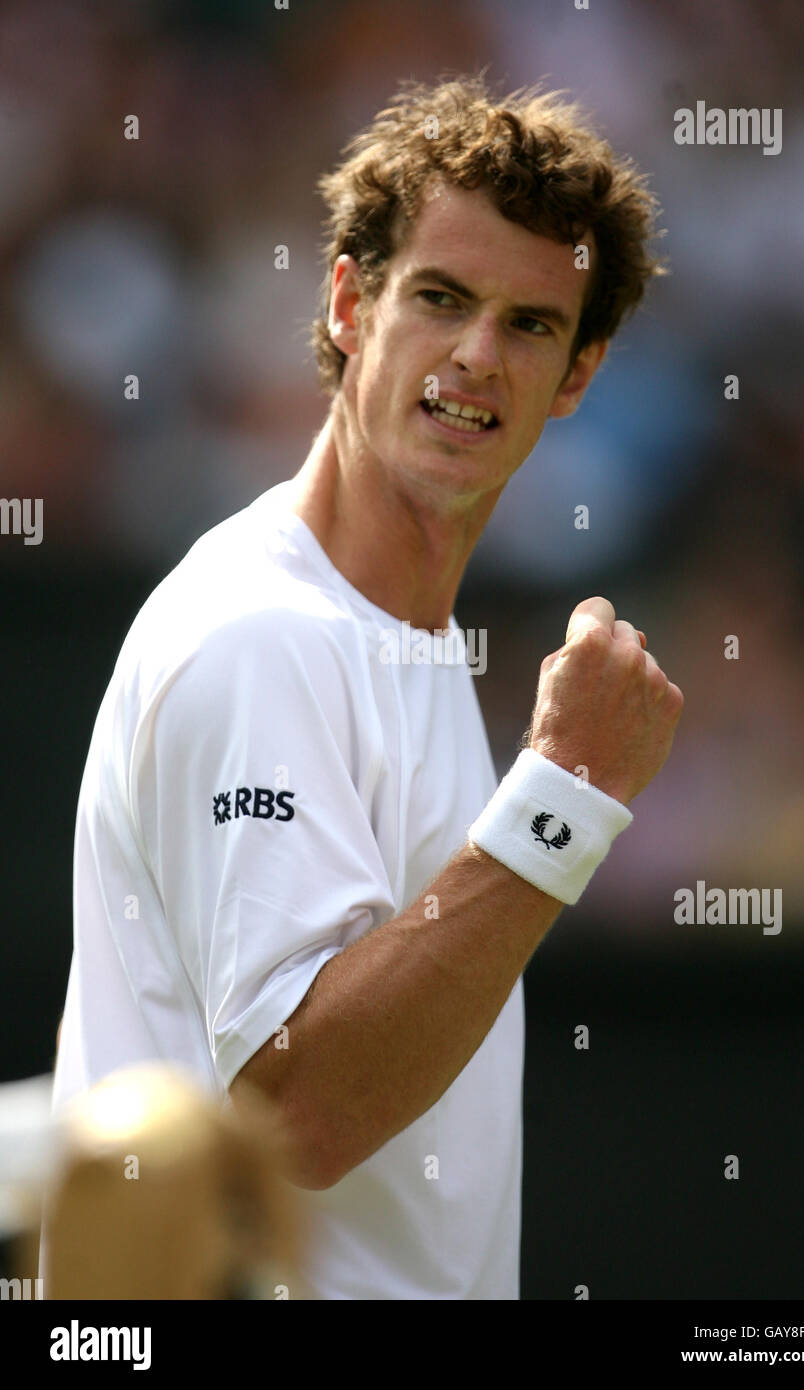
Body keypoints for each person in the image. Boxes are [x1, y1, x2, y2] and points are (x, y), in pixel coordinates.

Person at [50, 74, 683, 1299]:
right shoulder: (257, 635)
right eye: (439, 297)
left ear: (575, 376)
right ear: (349, 303)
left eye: (529, 324)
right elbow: (297, 1114)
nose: (475, 355)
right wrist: (563, 795)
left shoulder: (396, 637)